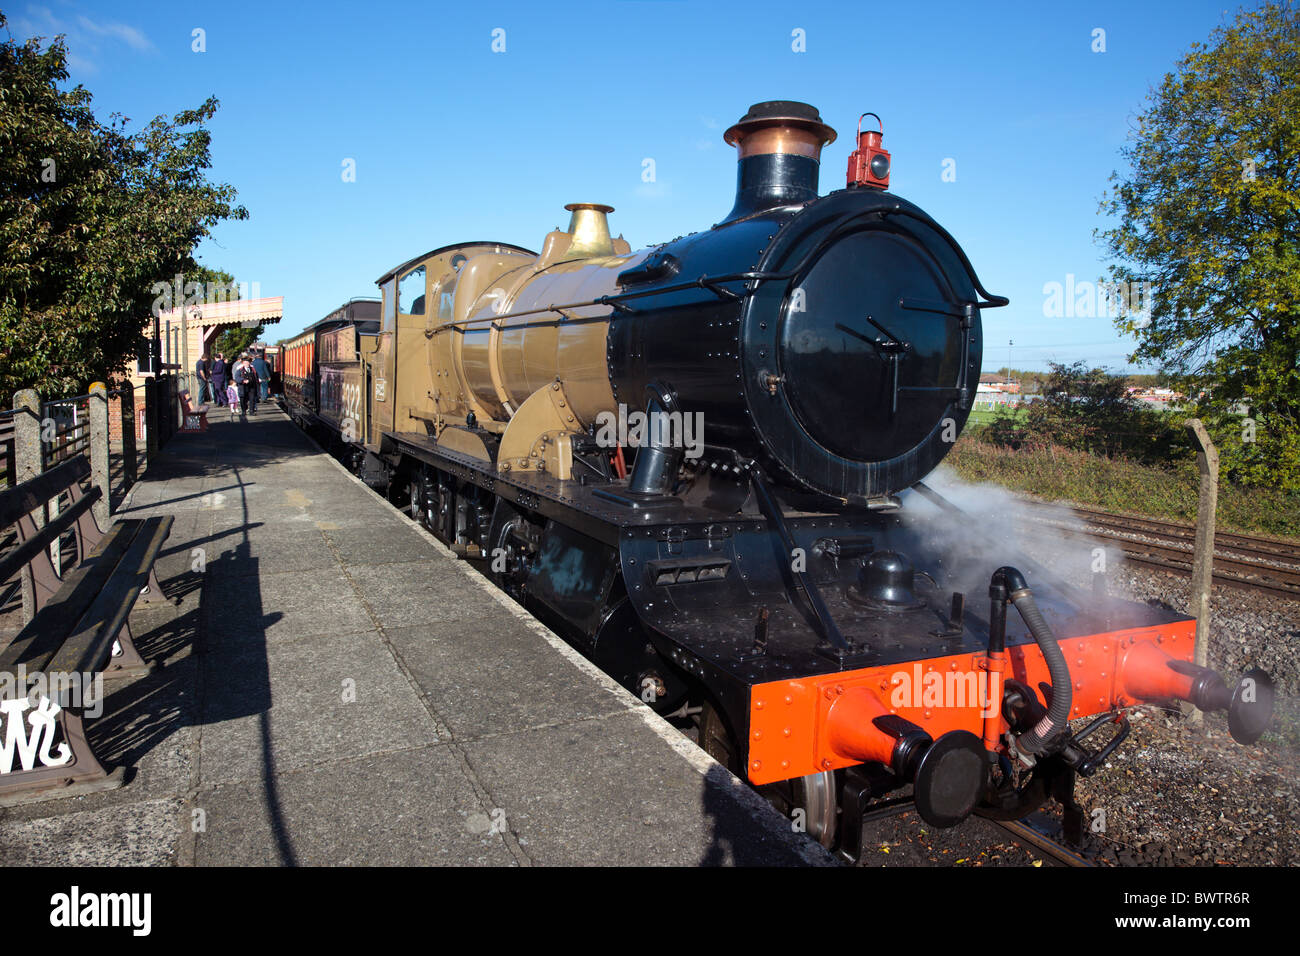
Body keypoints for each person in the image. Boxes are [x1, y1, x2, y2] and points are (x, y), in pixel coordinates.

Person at [233, 354, 257, 419]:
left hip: (251, 387)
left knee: (252, 399)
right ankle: (244, 410)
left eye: (247, 362)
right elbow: (236, 378)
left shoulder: (253, 370)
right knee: (243, 399)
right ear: (243, 363)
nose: (246, 364)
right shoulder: (240, 370)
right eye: (245, 363)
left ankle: (251, 411)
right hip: (243, 387)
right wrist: (243, 380)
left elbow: (256, 377)